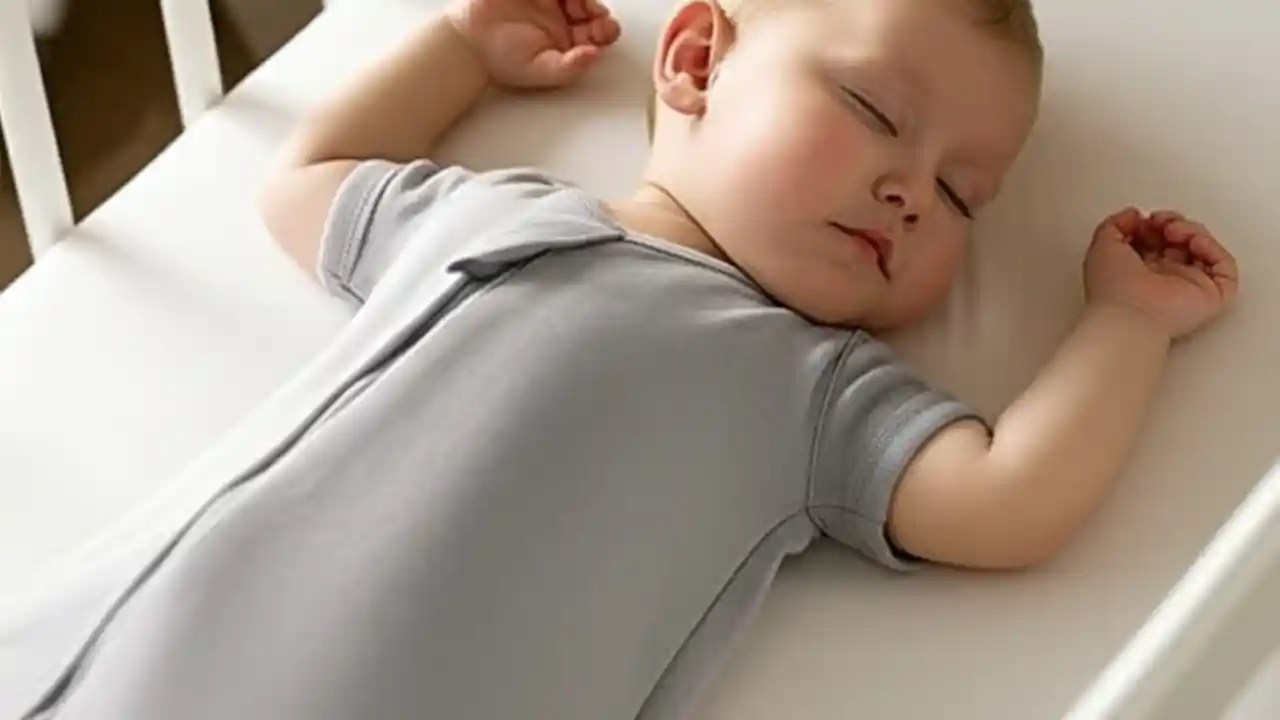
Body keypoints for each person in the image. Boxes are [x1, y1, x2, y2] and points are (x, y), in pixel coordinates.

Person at [11, 1, 1240, 718]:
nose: (910, 193)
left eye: (964, 196)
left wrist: (1122, 324)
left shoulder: (811, 393)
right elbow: (303, 187)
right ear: (698, 61)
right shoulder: (493, 214)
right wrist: (457, 46)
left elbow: (1005, 500)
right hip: (143, 648)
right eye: (874, 116)